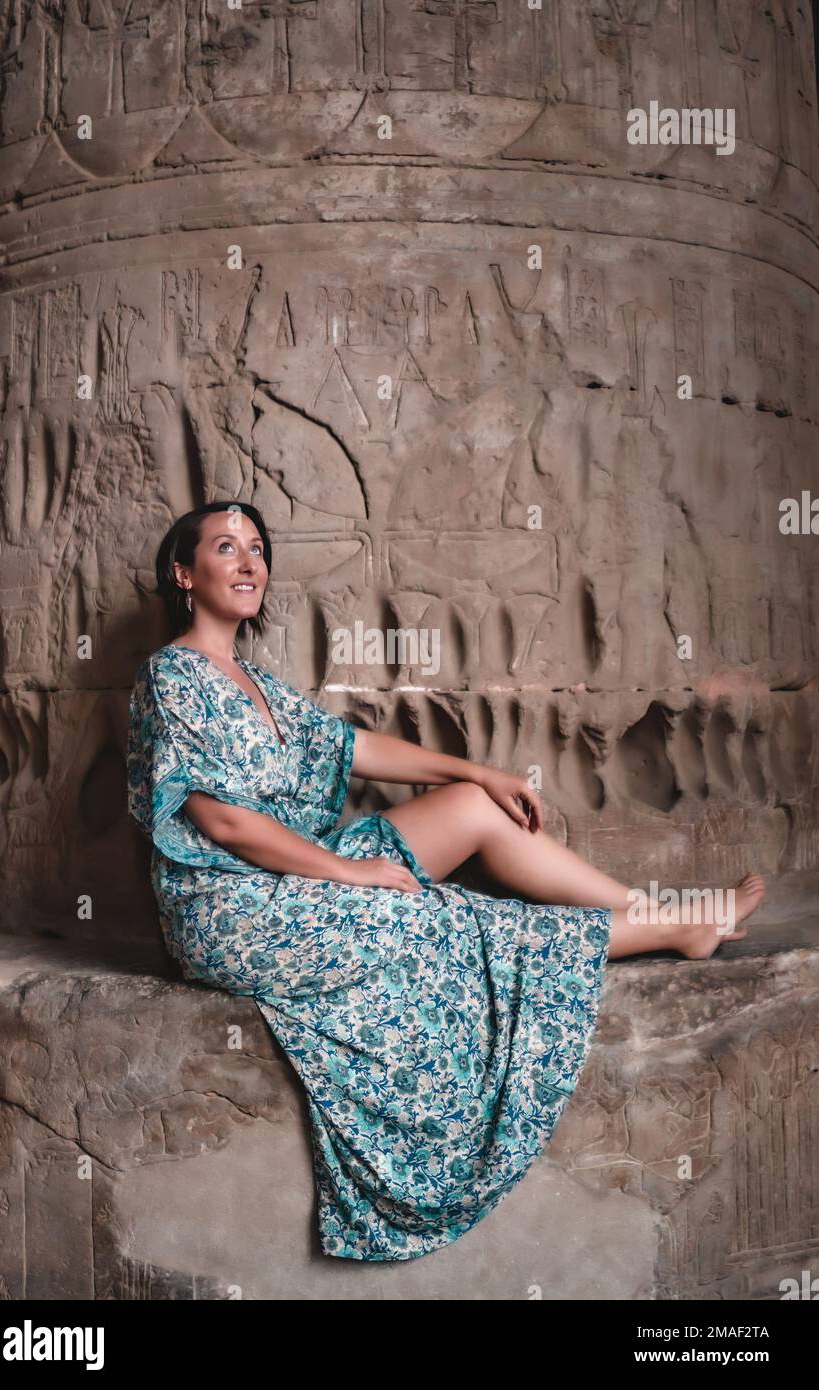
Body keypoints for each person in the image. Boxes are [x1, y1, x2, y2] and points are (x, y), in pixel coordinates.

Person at [126, 500, 765, 1262]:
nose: (247, 562)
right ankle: (673, 930)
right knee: (428, 912)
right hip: (230, 905)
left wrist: (477, 772)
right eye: (226, 547)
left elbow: (352, 748)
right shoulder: (171, 676)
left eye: (257, 549)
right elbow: (224, 822)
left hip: (296, 871)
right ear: (183, 573)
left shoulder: (255, 681)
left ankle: (651, 908)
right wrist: (351, 873)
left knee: (472, 808)